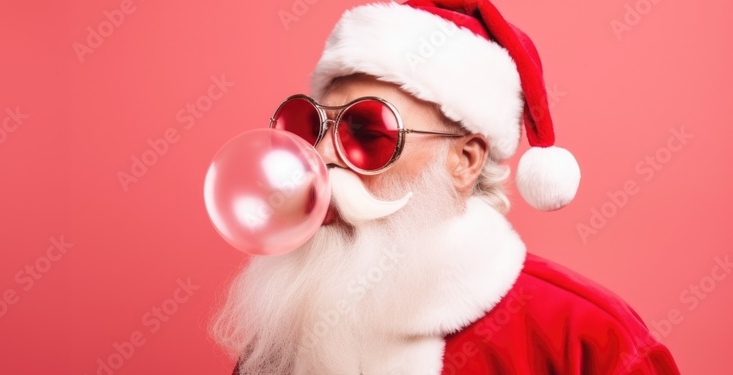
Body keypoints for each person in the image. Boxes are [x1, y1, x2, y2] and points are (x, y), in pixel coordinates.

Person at [211, 1, 681, 374]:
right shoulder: (284, 336)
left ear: (464, 161)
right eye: (310, 127)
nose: (323, 156)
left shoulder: (586, 337)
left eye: (367, 131)